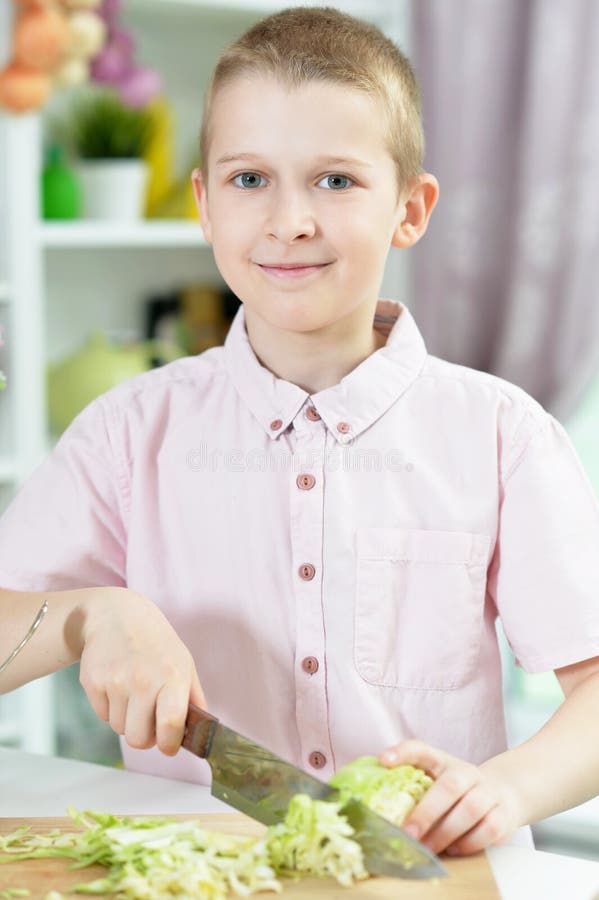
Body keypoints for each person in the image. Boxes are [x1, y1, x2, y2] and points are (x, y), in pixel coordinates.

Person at [1, 5, 599, 860]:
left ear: (410, 208)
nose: (289, 220)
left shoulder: (502, 435)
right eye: (250, 180)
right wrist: (89, 617)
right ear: (204, 205)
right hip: (197, 871)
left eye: (336, 180)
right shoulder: (128, 434)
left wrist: (506, 788)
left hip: (429, 873)